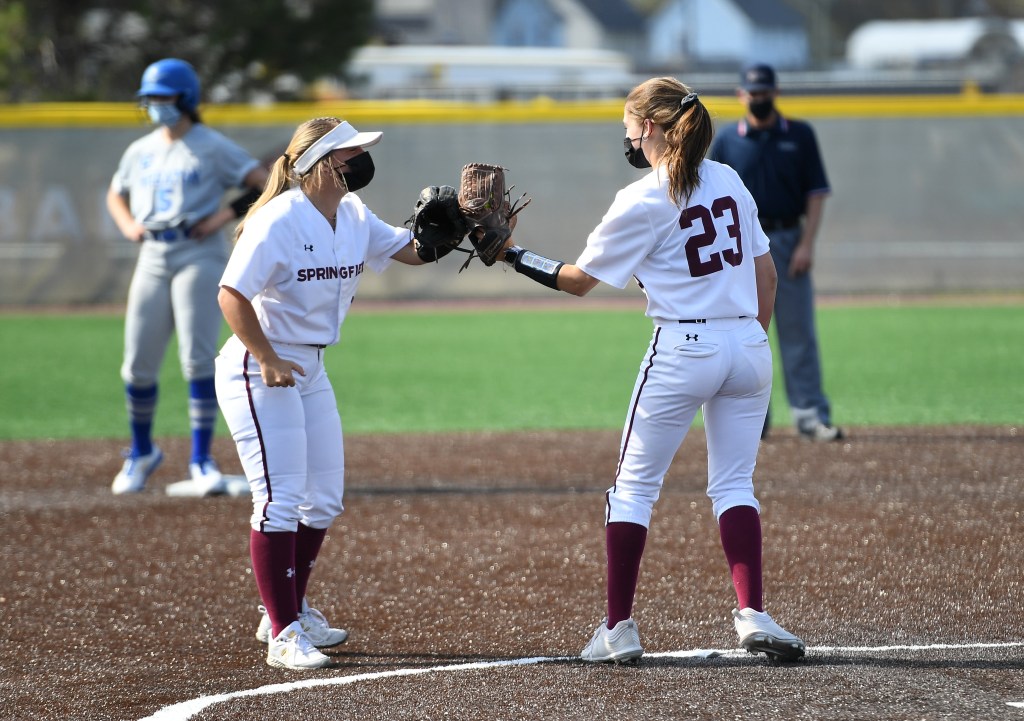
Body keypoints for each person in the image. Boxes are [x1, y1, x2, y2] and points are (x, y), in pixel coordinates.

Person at [493, 77, 805, 664]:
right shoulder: (728, 178)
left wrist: (512, 254)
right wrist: (750, 341)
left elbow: (578, 281)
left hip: (684, 348)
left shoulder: (642, 198)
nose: (629, 138)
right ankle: (752, 613)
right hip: (748, 344)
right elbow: (767, 276)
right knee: (735, 485)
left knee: (633, 489)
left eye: (631, 127)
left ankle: (617, 629)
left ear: (654, 129)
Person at [214, 116, 452, 670]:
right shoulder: (278, 220)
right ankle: (283, 631)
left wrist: (458, 226)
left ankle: (287, 606)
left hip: (311, 368)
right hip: (259, 368)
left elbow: (411, 250)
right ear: (323, 163)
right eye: (352, 152)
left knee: (323, 498)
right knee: (277, 499)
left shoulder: (352, 215)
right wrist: (268, 358)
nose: (362, 160)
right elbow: (231, 295)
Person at [106, 58, 269, 495]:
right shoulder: (140, 149)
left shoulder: (210, 144)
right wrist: (127, 225)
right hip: (153, 254)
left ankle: (200, 459)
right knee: (137, 363)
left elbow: (263, 182)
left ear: (186, 98)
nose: (157, 105)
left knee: (196, 358)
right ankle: (141, 452)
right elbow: (115, 193)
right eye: (151, 98)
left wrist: (220, 217)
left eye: (164, 97)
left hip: (198, 252)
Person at [708, 63, 842, 442]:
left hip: (786, 238)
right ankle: (752, 419)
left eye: (765, 92)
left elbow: (816, 193)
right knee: (745, 330)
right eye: (753, 93)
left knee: (798, 332)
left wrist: (806, 244)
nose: (759, 99)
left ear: (775, 93)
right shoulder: (728, 140)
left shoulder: (798, 135)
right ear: (741, 95)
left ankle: (810, 414)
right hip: (741, 245)